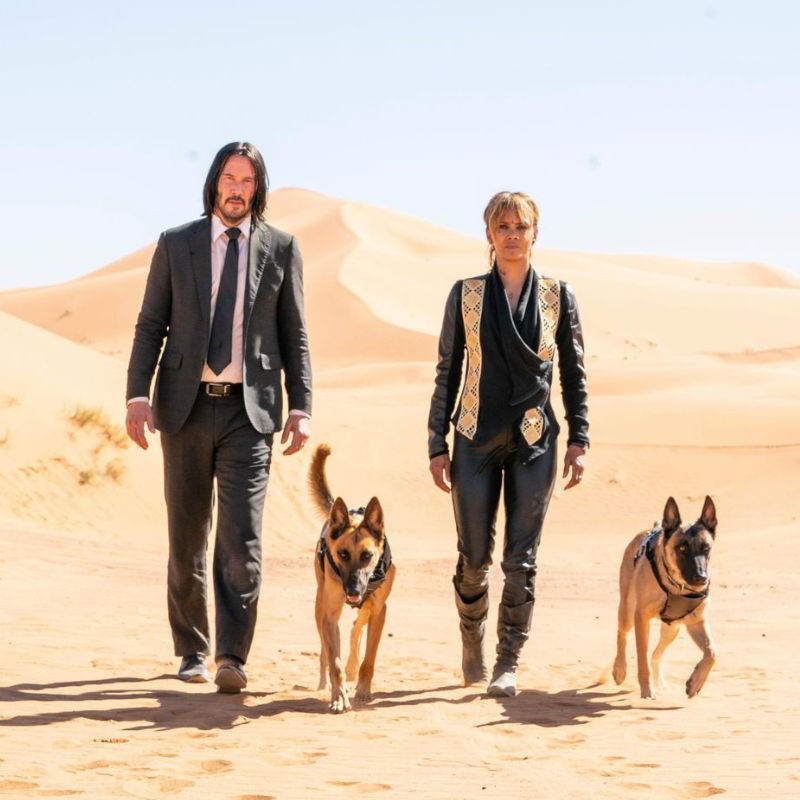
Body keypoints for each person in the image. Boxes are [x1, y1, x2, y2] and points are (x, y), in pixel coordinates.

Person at [125, 142, 312, 693]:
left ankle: (232, 655)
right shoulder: (176, 244)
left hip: (248, 414)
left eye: (247, 181)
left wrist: (301, 405)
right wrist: (137, 395)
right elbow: (150, 324)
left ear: (258, 189)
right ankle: (192, 651)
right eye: (229, 178)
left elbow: (295, 333)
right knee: (187, 536)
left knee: (241, 539)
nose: (237, 189)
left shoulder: (281, 248)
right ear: (214, 183)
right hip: (182, 408)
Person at [427, 191, 589, 697]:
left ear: (535, 233)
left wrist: (580, 437)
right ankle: (471, 641)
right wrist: (436, 441)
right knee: (474, 558)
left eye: (521, 226)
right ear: (489, 235)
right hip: (474, 437)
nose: (512, 235)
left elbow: (574, 373)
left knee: (522, 559)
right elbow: (447, 370)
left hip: (535, 442)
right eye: (503, 227)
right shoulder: (467, 294)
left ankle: (507, 662)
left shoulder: (558, 296)